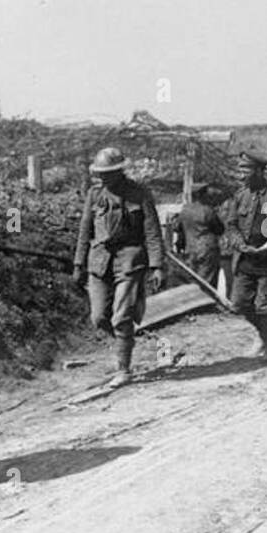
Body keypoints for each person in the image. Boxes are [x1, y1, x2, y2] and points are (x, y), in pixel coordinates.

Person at [72, 147, 166, 387]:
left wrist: (157, 266)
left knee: (121, 317)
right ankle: (125, 343)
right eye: (100, 173)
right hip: (99, 260)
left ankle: (123, 369)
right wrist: (78, 263)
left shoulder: (139, 194)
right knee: (98, 317)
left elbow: (152, 232)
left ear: (119, 171)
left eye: (108, 173)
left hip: (129, 260)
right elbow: (85, 231)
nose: (103, 178)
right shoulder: (94, 195)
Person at [223, 150, 267, 360]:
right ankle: (264, 336)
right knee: (239, 304)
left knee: (265, 306)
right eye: (240, 169)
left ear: (259, 170)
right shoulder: (240, 195)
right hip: (245, 260)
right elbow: (231, 225)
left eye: (246, 169)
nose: (241, 174)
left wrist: (266, 247)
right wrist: (241, 245)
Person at [176, 183, 225, 291]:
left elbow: (177, 227)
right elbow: (220, 229)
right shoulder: (207, 210)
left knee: (193, 281)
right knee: (208, 282)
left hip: (190, 249)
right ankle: (207, 304)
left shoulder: (185, 210)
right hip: (207, 249)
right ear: (202, 195)